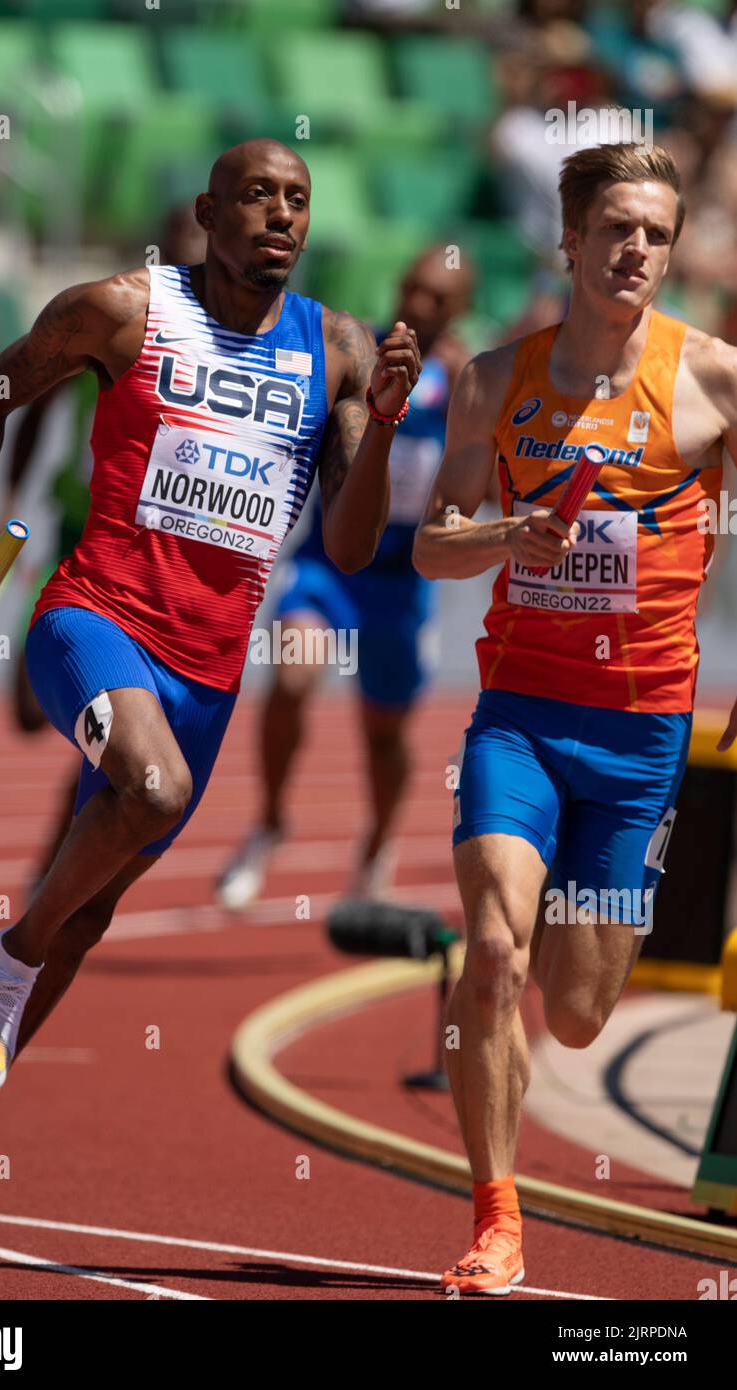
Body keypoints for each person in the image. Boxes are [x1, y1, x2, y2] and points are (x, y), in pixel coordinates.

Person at [0, 138, 421, 1268]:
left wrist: (378, 420)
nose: (277, 216)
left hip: (208, 671)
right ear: (204, 211)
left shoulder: (331, 348)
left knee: (85, 924)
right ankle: (8, 956)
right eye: (254, 196)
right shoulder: (121, 311)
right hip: (91, 617)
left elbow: (346, 539)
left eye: (296, 200)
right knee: (149, 789)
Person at [413, 141, 737, 1295]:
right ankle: (497, 1215)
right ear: (567, 240)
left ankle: (517, 950)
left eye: (653, 231)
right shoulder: (497, 380)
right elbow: (428, 544)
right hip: (520, 715)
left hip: (642, 734)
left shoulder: (711, 379)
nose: (633, 250)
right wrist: (508, 534)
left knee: (580, 1010)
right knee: (495, 951)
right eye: (613, 229)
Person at [216, 247, 472, 907]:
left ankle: (378, 847)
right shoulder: (355, 349)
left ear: (460, 309)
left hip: (401, 580)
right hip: (329, 561)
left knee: (384, 733)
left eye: (437, 299)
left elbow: (482, 482)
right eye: (412, 289)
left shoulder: (469, 381)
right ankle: (271, 820)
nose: (418, 306)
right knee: (293, 675)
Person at [0, 206, 207, 885]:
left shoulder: (220, 346)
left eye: (193, 252)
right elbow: (34, 404)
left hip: (146, 555)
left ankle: (56, 861)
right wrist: (8, 501)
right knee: (29, 713)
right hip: (73, 531)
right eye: (171, 251)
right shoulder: (121, 324)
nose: (180, 264)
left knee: (109, 719)